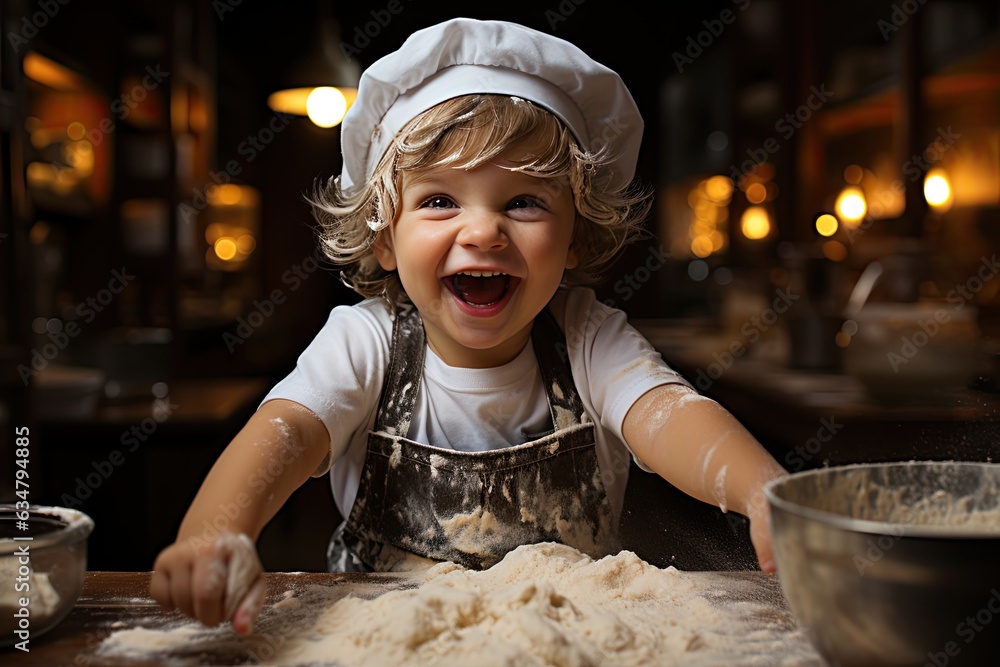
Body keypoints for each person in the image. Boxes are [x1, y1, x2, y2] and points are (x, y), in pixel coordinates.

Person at [150, 17, 788, 635]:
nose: (483, 230)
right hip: (382, 643)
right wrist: (215, 534)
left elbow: (667, 416)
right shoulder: (363, 343)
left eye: (524, 201)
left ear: (574, 237)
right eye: (439, 201)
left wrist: (762, 492)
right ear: (384, 238)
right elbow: (285, 433)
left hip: (565, 639)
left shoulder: (588, 338)